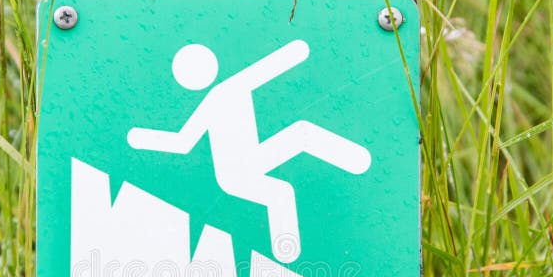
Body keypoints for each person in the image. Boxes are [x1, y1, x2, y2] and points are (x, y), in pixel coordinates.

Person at [128, 40, 371, 263]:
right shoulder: (217, 97)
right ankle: (286, 254)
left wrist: (296, 52)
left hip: (253, 159)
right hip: (234, 175)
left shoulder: (230, 88)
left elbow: (267, 69)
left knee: (301, 134)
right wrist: (141, 138)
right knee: (281, 190)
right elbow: (183, 142)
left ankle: (358, 162)